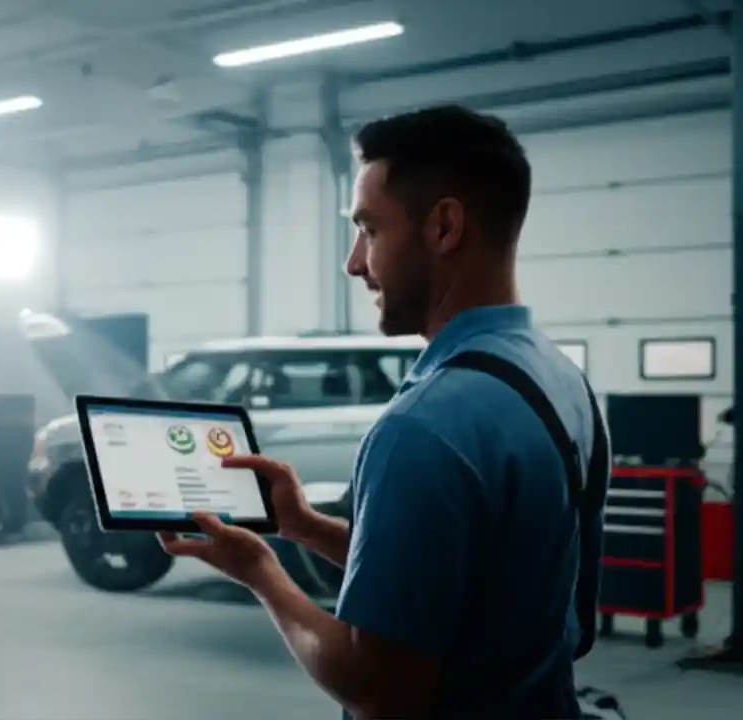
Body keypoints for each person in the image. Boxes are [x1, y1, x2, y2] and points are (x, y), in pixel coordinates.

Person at [159, 105, 608, 719]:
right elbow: (466, 579)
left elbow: (378, 688)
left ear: (444, 227)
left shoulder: (422, 426)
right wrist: (305, 527)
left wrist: (262, 571)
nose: (354, 262)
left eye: (369, 229)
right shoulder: (560, 380)